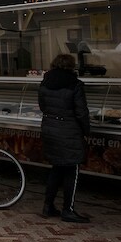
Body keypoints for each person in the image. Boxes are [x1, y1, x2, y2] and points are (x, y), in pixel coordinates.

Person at [38, 53, 92, 223]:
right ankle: (68, 210)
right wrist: (86, 131)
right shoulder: (75, 84)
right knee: (72, 170)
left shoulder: (45, 82)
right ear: (71, 66)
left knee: (57, 168)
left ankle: (48, 206)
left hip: (49, 128)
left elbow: (42, 106)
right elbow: (81, 112)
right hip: (69, 131)